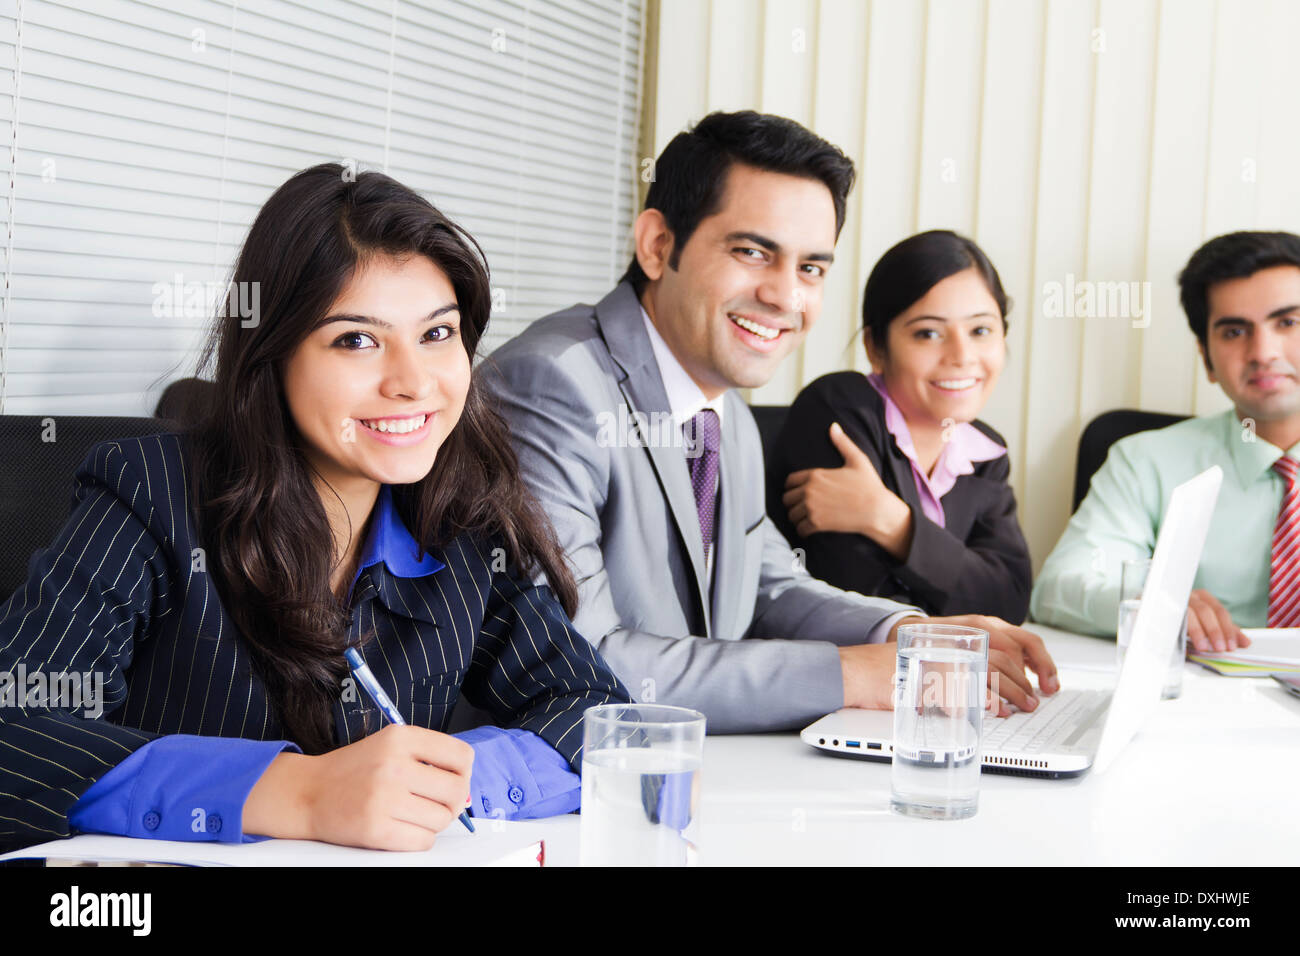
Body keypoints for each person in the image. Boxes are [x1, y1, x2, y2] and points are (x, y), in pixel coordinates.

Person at [0, 164, 628, 854]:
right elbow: (14, 730)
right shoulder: (151, 494)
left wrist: (446, 782)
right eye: (356, 339)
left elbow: (596, 713)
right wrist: (297, 792)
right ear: (273, 356)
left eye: (438, 334)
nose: (413, 382)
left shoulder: (462, 524)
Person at [484, 111, 1057, 734]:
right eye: (753, 252)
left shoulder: (725, 412)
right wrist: (860, 674)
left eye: (810, 268)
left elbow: (769, 588)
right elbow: (584, 664)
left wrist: (909, 634)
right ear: (657, 245)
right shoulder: (554, 384)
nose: (786, 298)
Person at [1031, 230, 1300, 649]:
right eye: (1233, 331)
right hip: (1202, 700)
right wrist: (1153, 603)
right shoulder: (1145, 460)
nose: (1263, 351)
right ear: (1206, 359)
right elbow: (1059, 589)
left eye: (1288, 322)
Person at [769, 230, 1032, 622]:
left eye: (980, 330)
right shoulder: (839, 409)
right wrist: (961, 594)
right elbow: (857, 603)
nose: (962, 356)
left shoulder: (984, 451)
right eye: (928, 333)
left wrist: (890, 520)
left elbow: (1008, 600)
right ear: (875, 347)